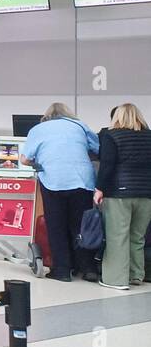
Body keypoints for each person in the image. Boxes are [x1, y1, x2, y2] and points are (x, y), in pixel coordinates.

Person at [20, 103, 101, 282]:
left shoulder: (38, 129)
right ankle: (88, 268)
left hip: (53, 180)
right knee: (81, 226)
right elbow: (98, 148)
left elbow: (24, 159)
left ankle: (62, 270)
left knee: (56, 226)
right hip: (81, 181)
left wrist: (39, 164)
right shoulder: (80, 125)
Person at [94, 103, 151, 291]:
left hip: (120, 192)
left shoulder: (112, 136)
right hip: (146, 193)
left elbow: (108, 165)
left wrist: (100, 188)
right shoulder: (149, 136)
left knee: (118, 236)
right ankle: (136, 275)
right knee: (138, 236)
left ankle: (116, 279)